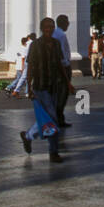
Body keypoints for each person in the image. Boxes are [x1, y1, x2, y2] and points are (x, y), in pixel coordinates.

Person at [19, 17, 66, 162]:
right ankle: (53, 152)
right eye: (46, 27)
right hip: (40, 86)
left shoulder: (56, 43)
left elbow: (60, 64)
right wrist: (29, 87)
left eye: (51, 27)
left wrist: (67, 83)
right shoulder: (35, 45)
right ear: (41, 28)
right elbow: (30, 67)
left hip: (54, 86)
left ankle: (28, 136)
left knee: (48, 118)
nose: (49, 29)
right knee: (52, 118)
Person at [53, 14, 74, 127]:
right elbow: (61, 52)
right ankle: (59, 118)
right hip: (63, 67)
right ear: (63, 23)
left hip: (57, 67)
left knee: (58, 93)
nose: (69, 24)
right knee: (63, 94)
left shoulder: (55, 33)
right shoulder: (61, 35)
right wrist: (65, 64)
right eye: (67, 22)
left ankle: (58, 117)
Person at [6, 32, 32, 97]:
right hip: (21, 66)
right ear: (26, 42)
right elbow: (23, 58)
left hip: (18, 66)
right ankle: (10, 87)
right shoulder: (25, 49)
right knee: (21, 79)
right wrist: (23, 67)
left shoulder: (19, 48)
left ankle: (26, 92)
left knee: (23, 79)